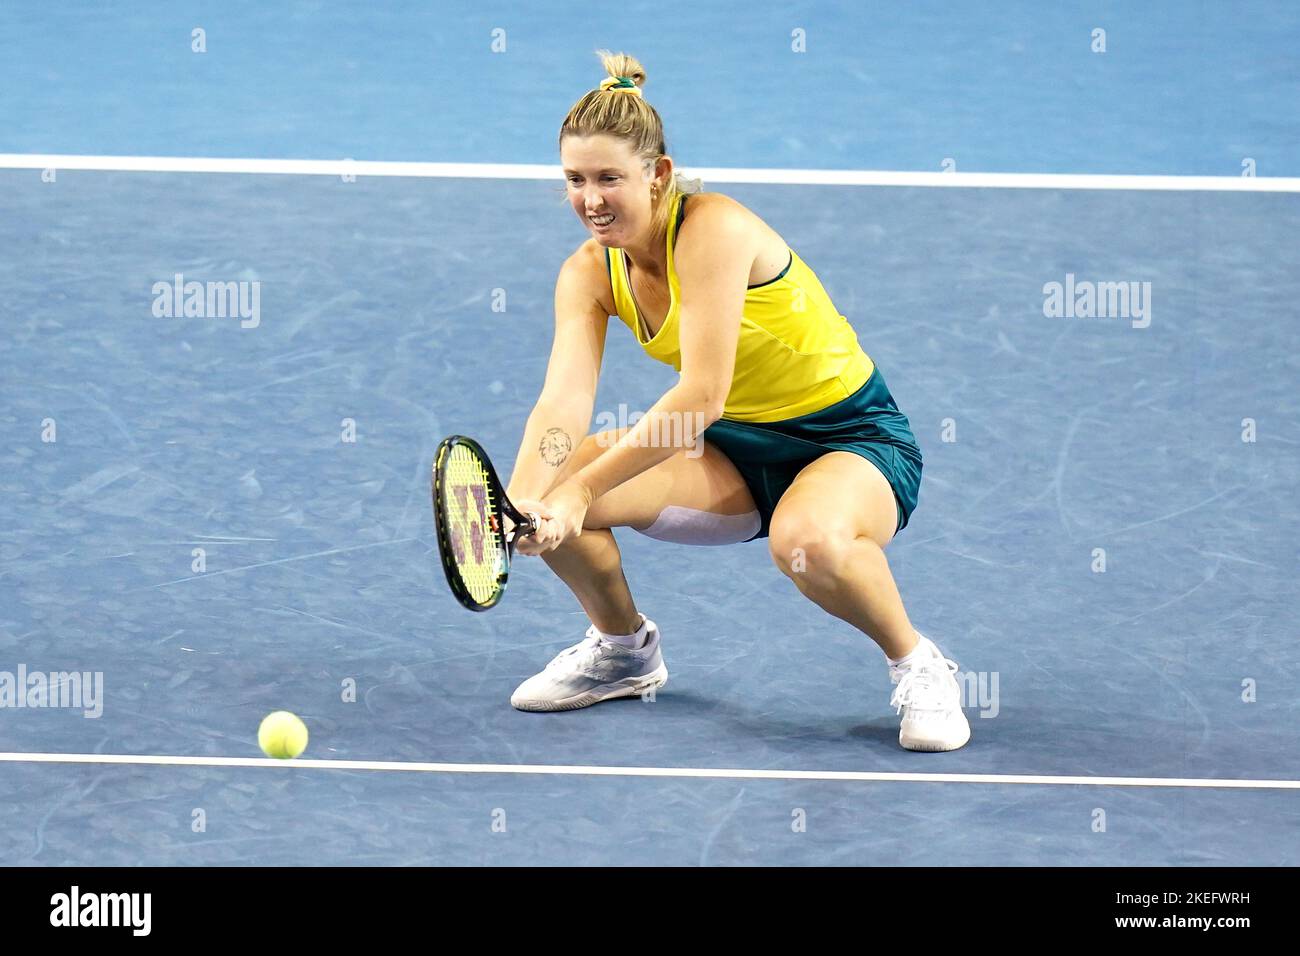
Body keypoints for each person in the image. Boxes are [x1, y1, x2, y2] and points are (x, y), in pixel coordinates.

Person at [502, 51, 969, 752]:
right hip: (734, 454)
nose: (590, 199)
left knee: (806, 543)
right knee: (558, 491)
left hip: (850, 441)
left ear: (657, 174)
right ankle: (623, 652)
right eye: (574, 179)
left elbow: (701, 396)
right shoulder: (587, 274)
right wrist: (523, 503)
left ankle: (919, 664)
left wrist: (574, 493)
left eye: (609, 178)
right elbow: (564, 402)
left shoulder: (713, 229)